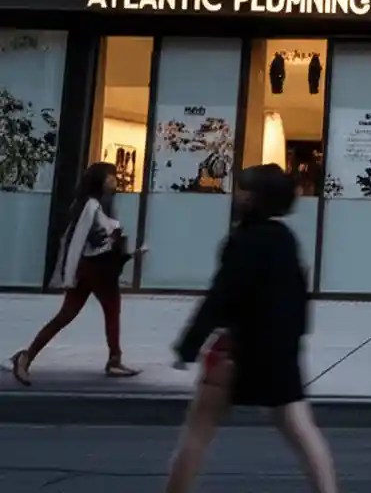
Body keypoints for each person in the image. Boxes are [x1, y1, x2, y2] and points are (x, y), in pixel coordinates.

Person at [166, 164, 338, 493]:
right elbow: (298, 299)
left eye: (241, 189)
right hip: (278, 354)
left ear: (253, 197)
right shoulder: (285, 240)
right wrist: (294, 340)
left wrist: (189, 345)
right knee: (301, 430)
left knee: (198, 430)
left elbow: (220, 297)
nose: (236, 194)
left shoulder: (243, 241)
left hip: (237, 351)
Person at [9, 162, 141, 385]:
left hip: (96, 269)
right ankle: (114, 360)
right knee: (109, 312)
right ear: (99, 180)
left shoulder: (104, 205)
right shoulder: (91, 205)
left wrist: (128, 252)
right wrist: (68, 276)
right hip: (95, 270)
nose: (114, 179)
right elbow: (76, 241)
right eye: (109, 176)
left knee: (68, 315)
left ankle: (26, 357)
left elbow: (102, 241)